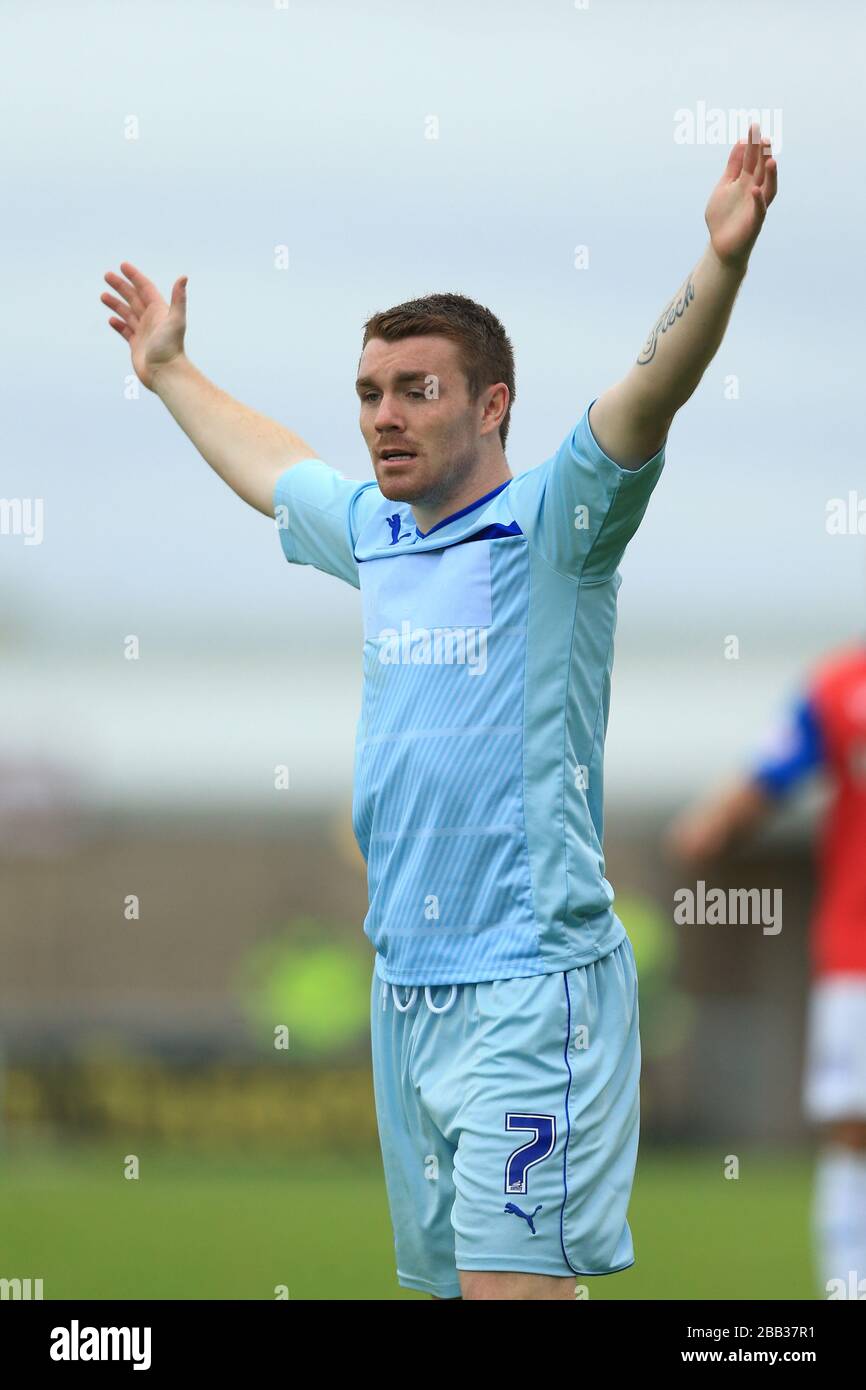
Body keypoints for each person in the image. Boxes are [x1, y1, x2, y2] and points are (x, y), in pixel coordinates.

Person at [101, 124, 777, 1301]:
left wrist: (715, 264)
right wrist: (166, 370)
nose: (384, 418)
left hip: (532, 984)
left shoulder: (557, 528)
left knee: (511, 1295)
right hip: (404, 990)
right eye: (368, 394)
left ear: (492, 404)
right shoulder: (377, 532)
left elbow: (646, 392)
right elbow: (273, 462)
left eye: (415, 391)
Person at [668, 641, 866, 1299]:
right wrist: (713, 823)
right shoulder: (842, 687)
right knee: (853, 1127)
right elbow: (768, 773)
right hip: (857, 953)